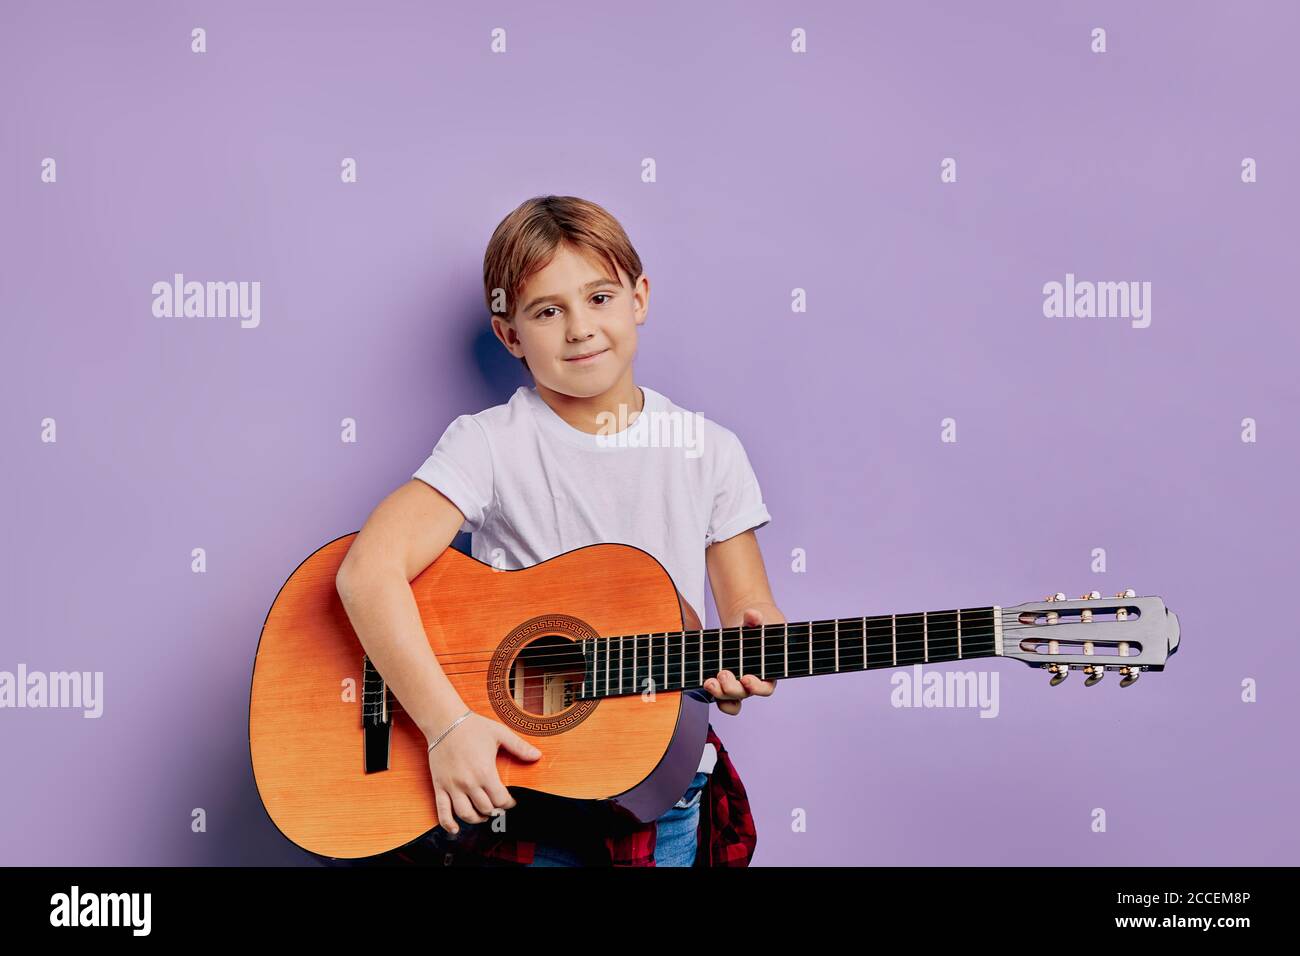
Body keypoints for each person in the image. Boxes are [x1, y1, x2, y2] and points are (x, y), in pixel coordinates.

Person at [334, 195, 784, 867]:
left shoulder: (709, 450)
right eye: (548, 311)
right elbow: (366, 572)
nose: (580, 329)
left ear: (640, 298)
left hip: (659, 795)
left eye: (600, 297)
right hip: (521, 794)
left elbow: (752, 610)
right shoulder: (489, 445)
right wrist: (447, 726)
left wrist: (754, 653)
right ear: (510, 334)